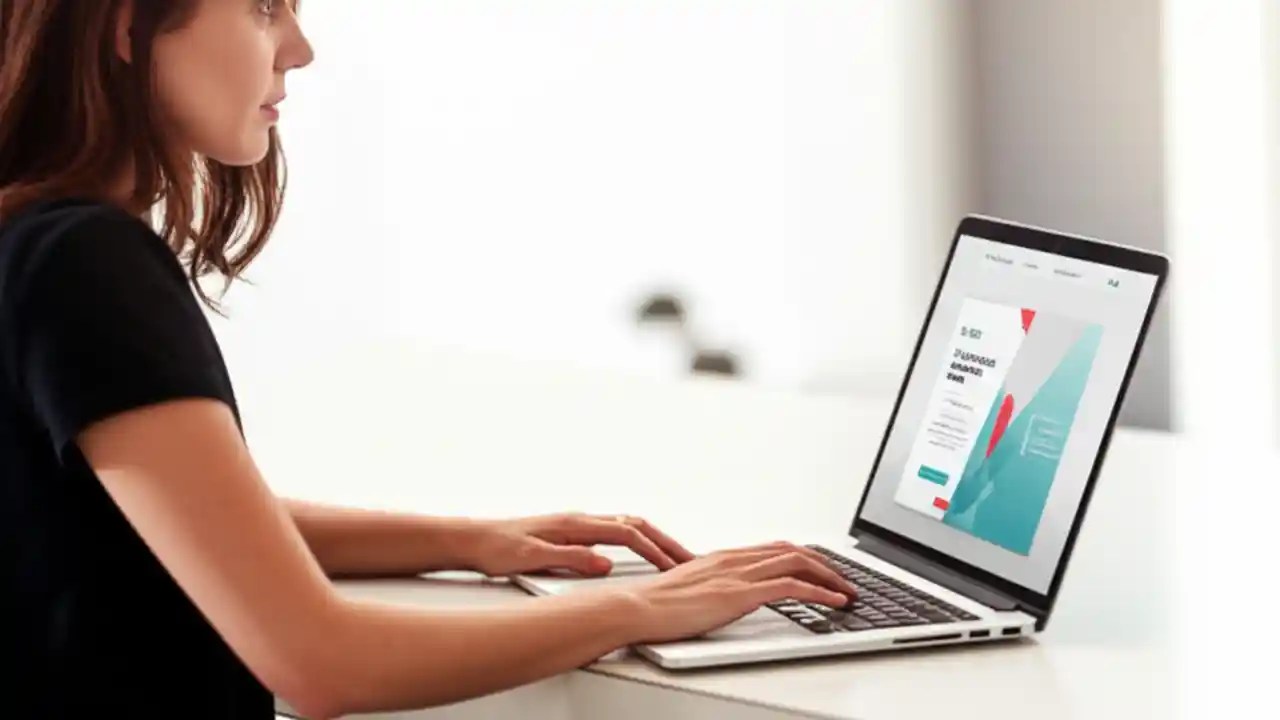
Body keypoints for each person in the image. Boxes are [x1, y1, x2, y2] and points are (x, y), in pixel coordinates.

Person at [0, 1, 858, 717]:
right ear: (124, 26)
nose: (299, 47)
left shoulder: (29, 237)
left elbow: (176, 523)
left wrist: (471, 540)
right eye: (264, 8)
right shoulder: (84, 260)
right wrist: (641, 606)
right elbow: (319, 662)